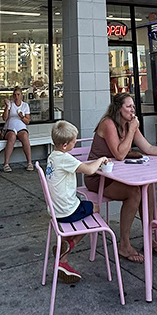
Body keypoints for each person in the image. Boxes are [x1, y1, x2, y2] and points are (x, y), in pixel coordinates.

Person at [85, 93, 157, 263]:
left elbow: (148, 148)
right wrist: (131, 130)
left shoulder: (130, 124)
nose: (133, 110)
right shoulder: (108, 123)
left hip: (117, 174)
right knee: (134, 193)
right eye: (129, 106)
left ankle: (149, 237)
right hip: (99, 177)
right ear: (118, 108)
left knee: (149, 186)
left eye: (133, 106)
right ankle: (124, 244)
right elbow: (120, 154)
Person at [46, 120, 109, 282]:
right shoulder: (65, 158)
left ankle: (63, 255)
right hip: (68, 211)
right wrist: (101, 159)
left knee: (86, 205)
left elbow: (79, 166)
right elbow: (88, 170)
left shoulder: (53, 157)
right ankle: (70, 245)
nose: (76, 142)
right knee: (95, 208)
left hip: (55, 211)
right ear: (66, 145)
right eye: (74, 140)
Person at [2, 87, 33, 171]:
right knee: (12, 136)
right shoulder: (10, 105)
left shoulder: (25, 105)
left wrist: (21, 116)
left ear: (21, 95)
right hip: (10, 129)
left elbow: (27, 121)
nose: (16, 97)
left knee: (24, 136)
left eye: (18, 95)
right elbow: (4, 118)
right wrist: (7, 107)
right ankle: (6, 164)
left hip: (21, 128)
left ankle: (29, 162)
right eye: (15, 95)